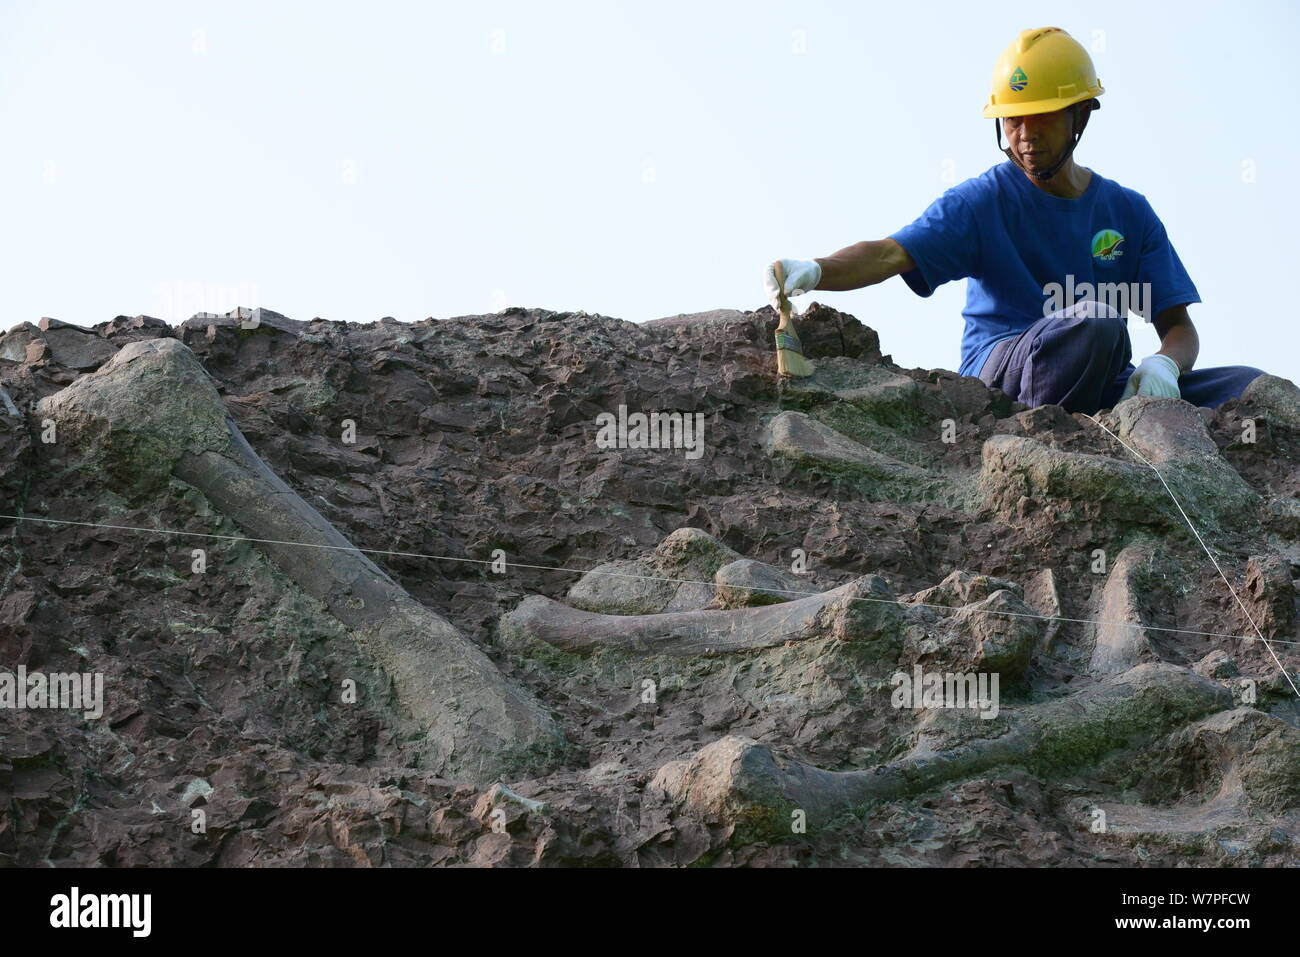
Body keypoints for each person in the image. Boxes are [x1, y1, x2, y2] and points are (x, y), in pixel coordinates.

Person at [764, 26, 1263, 414]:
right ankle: (1041, 433)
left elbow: (1178, 326)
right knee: (1098, 321)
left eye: (1041, 116)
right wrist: (815, 270)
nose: (1024, 135)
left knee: (1250, 387)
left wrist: (1164, 366)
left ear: (1080, 117)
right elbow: (890, 253)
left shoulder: (1128, 211)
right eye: (1013, 119)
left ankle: (1114, 418)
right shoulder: (982, 200)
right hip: (1005, 371)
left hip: (1103, 373)